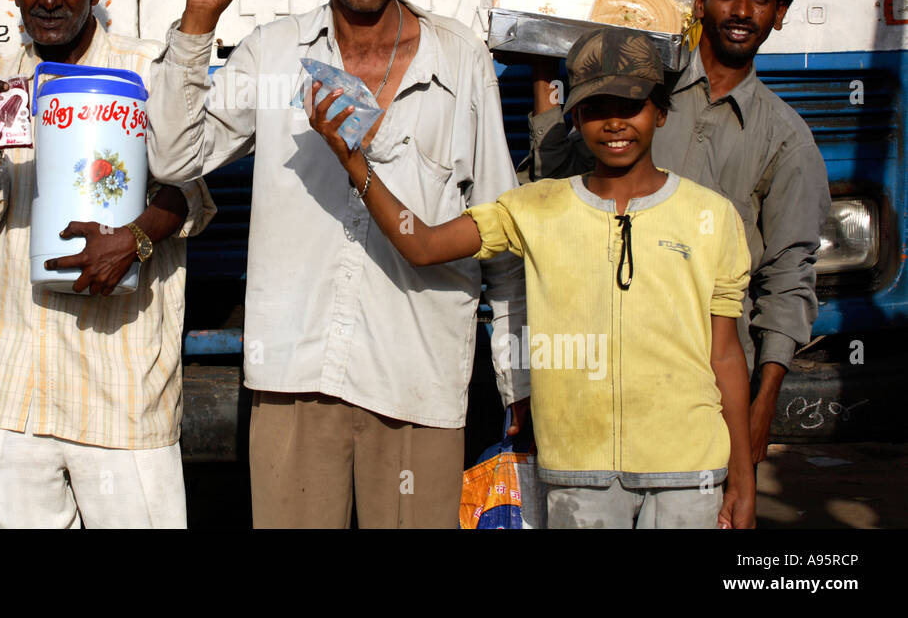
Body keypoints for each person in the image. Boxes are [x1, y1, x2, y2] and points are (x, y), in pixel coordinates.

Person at [148, 0, 529, 528]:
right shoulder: (275, 52)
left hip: (419, 377)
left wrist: (515, 377)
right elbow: (176, 160)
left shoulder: (459, 59)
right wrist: (199, 18)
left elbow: (498, 226)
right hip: (297, 375)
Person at [307, 27, 756, 528]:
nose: (614, 123)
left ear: (661, 111)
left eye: (631, 106)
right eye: (595, 108)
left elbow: (725, 355)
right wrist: (353, 162)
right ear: (575, 116)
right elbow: (423, 243)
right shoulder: (535, 208)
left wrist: (743, 477)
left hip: (689, 470)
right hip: (576, 473)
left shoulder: (711, 217)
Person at [0, 0, 214, 528]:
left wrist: (133, 241)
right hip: (11, 384)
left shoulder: (147, 73)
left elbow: (189, 195)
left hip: (118, 378)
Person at [525, 0, 828, 465]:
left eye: (759, 0)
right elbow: (553, 189)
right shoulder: (637, 89)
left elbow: (787, 282)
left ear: (779, 14)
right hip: (591, 373)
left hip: (703, 393)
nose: (741, 11)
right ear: (700, 0)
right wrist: (546, 71)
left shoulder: (787, 140)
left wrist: (759, 415)